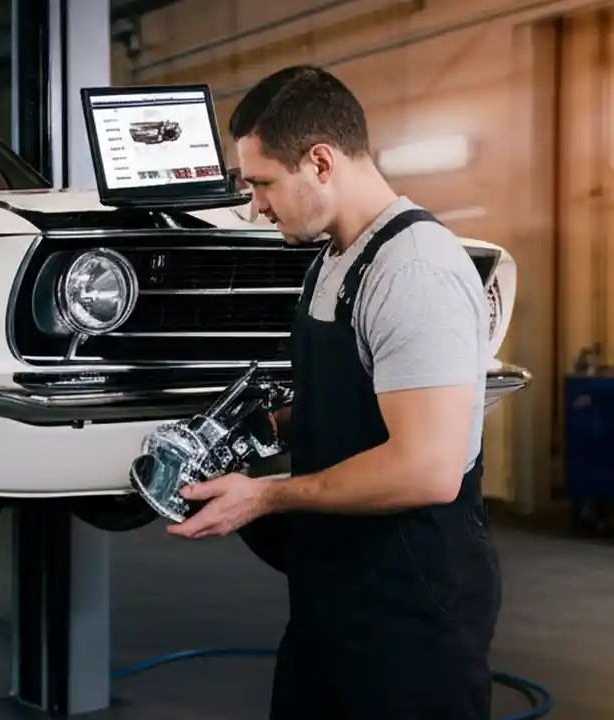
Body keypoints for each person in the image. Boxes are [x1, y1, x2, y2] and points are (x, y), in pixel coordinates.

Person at [166, 65, 502, 719]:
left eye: (263, 183)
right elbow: (354, 401)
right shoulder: (334, 258)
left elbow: (426, 469)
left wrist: (265, 495)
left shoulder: (415, 271)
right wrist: (263, 428)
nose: (257, 206)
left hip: (409, 605)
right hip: (336, 589)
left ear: (320, 162)